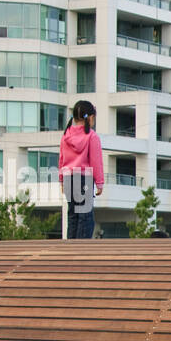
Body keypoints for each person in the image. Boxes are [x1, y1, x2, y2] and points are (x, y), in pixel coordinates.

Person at [59, 99, 103, 240]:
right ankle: (81, 250)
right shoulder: (91, 136)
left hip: (68, 177)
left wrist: (61, 181)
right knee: (85, 216)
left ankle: (69, 251)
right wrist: (100, 183)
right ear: (90, 117)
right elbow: (96, 161)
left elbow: (62, 159)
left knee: (73, 216)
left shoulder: (66, 135)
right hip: (84, 177)